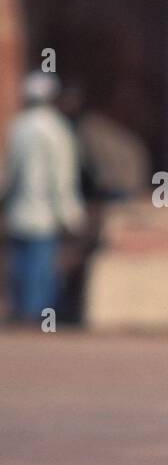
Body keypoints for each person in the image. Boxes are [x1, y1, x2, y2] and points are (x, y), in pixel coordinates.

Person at [2, 71, 85, 323]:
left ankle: (24, 315)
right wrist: (69, 213)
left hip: (21, 212)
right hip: (46, 214)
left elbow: (9, 172)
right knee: (41, 270)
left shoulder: (19, 126)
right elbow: (61, 176)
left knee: (21, 268)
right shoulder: (57, 129)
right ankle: (38, 318)